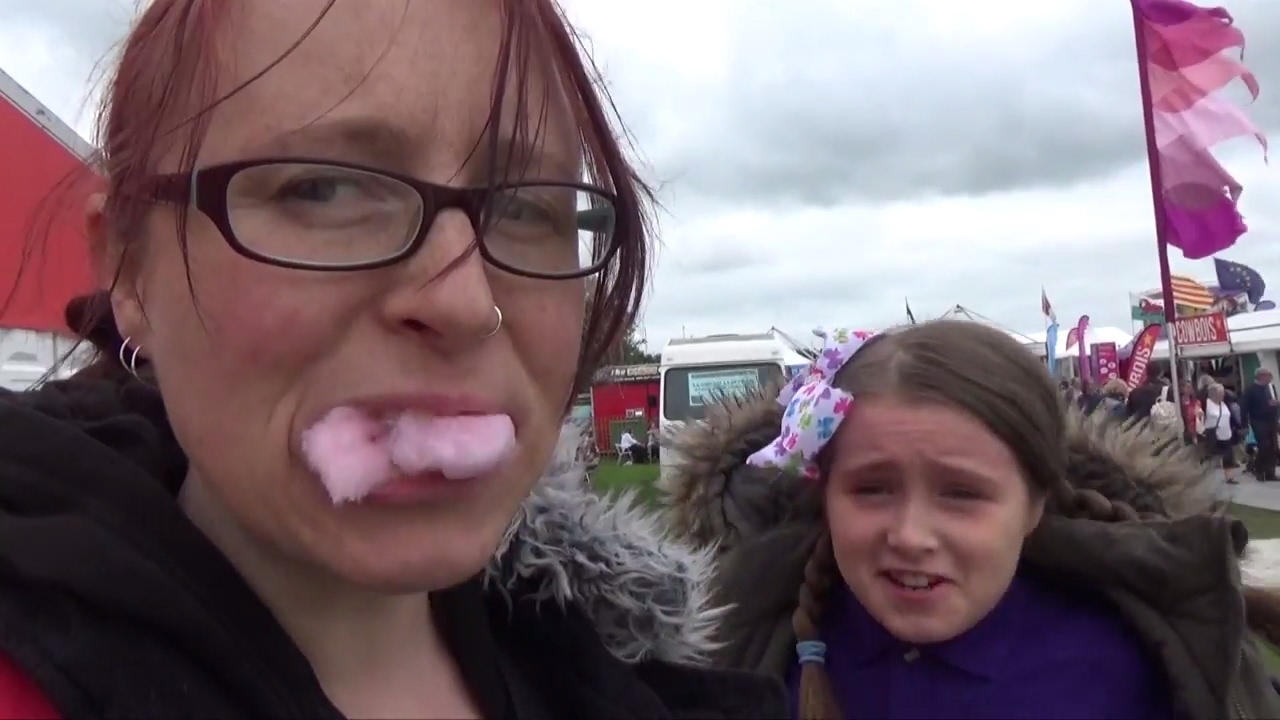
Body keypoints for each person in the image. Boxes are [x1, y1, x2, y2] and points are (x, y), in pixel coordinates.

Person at [0, 1, 787, 717]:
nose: (464, 303)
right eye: (324, 191)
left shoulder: (631, 681)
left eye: (523, 207)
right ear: (130, 271)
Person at [663, 321, 1280, 719]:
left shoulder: (1138, 668)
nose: (910, 534)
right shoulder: (741, 656)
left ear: (1034, 500)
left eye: (961, 494)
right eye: (871, 489)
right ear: (823, 492)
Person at [1243, 367, 1279, 482]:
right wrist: (1244, 423)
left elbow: (1275, 402)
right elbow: (1244, 406)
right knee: (1264, 446)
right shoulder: (1251, 389)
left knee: (1273, 447)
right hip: (1258, 421)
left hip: (1271, 420)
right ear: (1261, 376)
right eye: (1268, 375)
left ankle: (1270, 472)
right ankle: (1258, 469)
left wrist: (1276, 404)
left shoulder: (1271, 388)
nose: (1270, 378)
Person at [1203, 383, 1237, 486]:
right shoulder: (1206, 404)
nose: (1223, 395)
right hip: (1213, 435)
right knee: (1211, 457)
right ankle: (1205, 479)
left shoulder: (1223, 404)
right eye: (1220, 393)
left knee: (1228, 456)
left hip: (1226, 434)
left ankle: (1229, 477)